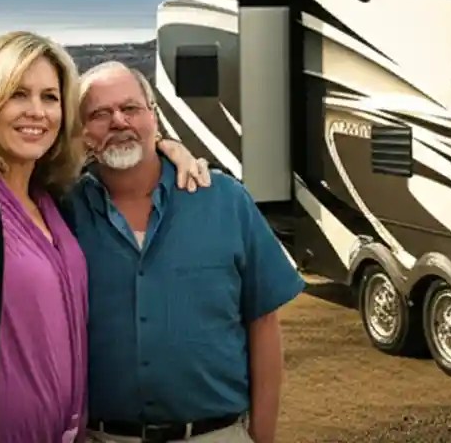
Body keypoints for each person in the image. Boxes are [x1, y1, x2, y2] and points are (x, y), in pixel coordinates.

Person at [0, 31, 212, 443]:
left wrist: (168, 149)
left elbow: (122, 152)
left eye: (50, 97)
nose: (37, 112)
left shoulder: (51, 201)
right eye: (18, 94)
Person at [65, 61, 306, 443]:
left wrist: (261, 436)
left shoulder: (225, 200)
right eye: (99, 114)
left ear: (153, 116)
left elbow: (262, 324)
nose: (118, 121)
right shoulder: (63, 214)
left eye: (130, 108)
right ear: (81, 133)